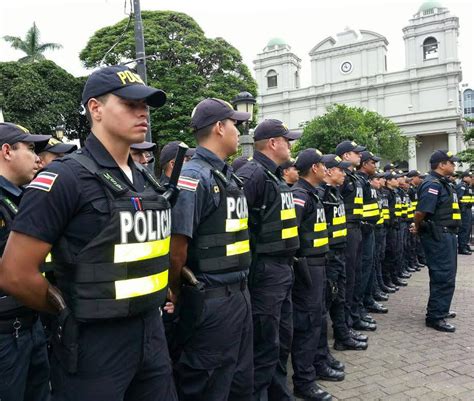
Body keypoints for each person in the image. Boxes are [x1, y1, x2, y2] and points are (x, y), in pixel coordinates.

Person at [0, 65, 178, 400]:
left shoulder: (144, 179)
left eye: (145, 105)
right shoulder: (64, 179)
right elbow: (14, 274)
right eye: (129, 103)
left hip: (150, 334)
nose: (143, 112)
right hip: (94, 343)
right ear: (95, 109)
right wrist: (67, 311)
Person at [169, 98, 253, 401]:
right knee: (207, 383)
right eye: (235, 125)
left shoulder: (226, 175)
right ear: (219, 127)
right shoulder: (193, 176)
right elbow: (176, 247)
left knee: (239, 380)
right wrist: (177, 291)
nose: (240, 131)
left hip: (238, 295)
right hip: (211, 299)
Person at [237, 119, 301, 401]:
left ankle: (278, 393)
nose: (290, 146)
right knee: (264, 344)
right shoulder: (253, 175)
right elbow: (238, 225)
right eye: (287, 140)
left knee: (280, 339)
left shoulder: (273, 176)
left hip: (281, 269)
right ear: (273, 143)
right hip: (264, 271)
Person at [0, 123, 51, 401]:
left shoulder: (22, 199)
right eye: (30, 149)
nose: (38, 158)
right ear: (7, 151)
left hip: (30, 326)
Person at [290, 149, 334, 401]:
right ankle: (304, 381)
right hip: (306, 266)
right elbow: (291, 233)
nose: (325, 169)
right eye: (321, 165)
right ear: (313, 168)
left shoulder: (312, 194)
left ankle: (316, 365)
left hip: (318, 263)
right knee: (307, 322)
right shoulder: (299, 194)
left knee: (317, 318)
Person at [316, 154, 368, 358]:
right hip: (329, 256)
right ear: (328, 171)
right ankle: (334, 341)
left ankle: (343, 334)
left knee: (341, 295)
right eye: (340, 169)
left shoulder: (333, 193)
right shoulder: (320, 194)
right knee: (329, 299)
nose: (344, 173)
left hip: (339, 252)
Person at [413, 150, 461, 332]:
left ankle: (441, 309)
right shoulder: (432, 184)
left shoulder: (443, 183)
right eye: (451, 162)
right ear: (441, 164)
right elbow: (421, 211)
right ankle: (435, 317)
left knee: (447, 275)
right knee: (443, 275)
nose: (454, 165)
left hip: (446, 234)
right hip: (438, 235)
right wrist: (417, 226)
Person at [335, 141, 376, 332]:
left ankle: (355, 313)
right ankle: (347, 321)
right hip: (347, 230)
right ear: (345, 156)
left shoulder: (355, 178)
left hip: (358, 229)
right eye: (355, 153)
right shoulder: (343, 179)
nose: (360, 156)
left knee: (357, 273)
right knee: (349, 276)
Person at [354, 151, 387, 319]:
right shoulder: (359, 182)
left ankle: (367, 299)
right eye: (373, 163)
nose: (375, 166)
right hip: (363, 232)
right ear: (365, 164)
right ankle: (359, 306)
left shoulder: (366, 182)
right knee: (363, 269)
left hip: (371, 230)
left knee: (370, 266)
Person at [381, 171, 405, 290]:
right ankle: (388, 279)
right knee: (390, 253)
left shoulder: (393, 192)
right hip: (389, 227)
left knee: (396, 251)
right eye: (394, 179)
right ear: (388, 181)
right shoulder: (386, 193)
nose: (397, 180)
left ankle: (394, 276)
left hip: (396, 225)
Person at [456, 171, 473, 255]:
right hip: (464, 210)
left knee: (468, 228)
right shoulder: (461, 186)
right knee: (464, 229)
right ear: (465, 177)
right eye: (470, 177)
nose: (471, 178)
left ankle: (465, 245)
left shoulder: (468, 186)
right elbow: (459, 199)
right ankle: (462, 248)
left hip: (468, 209)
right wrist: (463, 207)